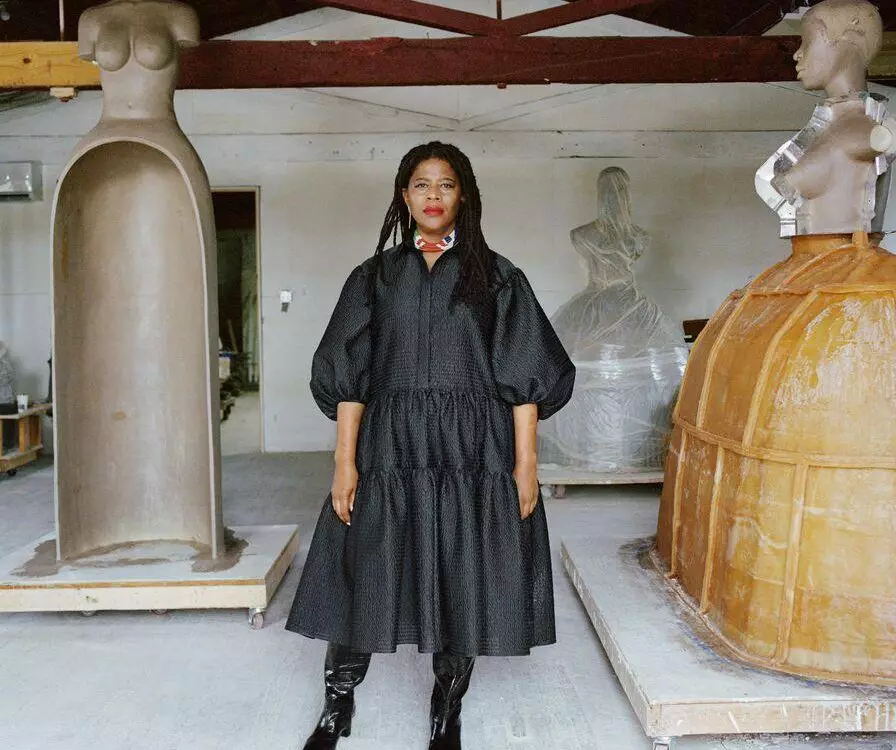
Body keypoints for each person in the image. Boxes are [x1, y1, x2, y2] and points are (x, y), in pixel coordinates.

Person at [286, 141, 576, 750]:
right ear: (404, 196)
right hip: (390, 446)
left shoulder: (498, 276)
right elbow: (349, 377)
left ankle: (447, 710)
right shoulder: (374, 278)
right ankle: (338, 704)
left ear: (462, 195)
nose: (434, 196)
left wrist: (527, 465)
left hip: (475, 450)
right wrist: (344, 462)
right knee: (366, 565)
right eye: (422, 185)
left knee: (459, 570)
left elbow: (524, 374)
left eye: (446, 185)